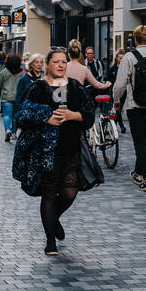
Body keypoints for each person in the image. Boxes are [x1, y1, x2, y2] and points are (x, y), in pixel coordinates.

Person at [14, 47, 95, 256]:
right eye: (56, 61)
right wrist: (46, 116)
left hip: (71, 148)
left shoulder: (75, 87)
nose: (60, 65)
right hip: (45, 150)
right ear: (48, 64)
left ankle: (54, 219)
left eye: (64, 62)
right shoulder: (37, 88)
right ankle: (50, 240)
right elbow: (21, 113)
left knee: (70, 192)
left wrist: (72, 115)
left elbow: (89, 115)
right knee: (49, 193)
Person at [113, 25, 146, 192]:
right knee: (144, 140)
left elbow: (120, 84)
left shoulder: (129, 57)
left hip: (134, 105)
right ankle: (138, 173)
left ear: (135, 39)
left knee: (139, 141)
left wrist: (116, 100)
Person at [0, 53, 23, 141]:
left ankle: (7, 130)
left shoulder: (4, 72)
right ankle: (14, 133)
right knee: (15, 116)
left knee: (7, 115)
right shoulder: (22, 73)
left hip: (6, 97)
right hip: (18, 98)